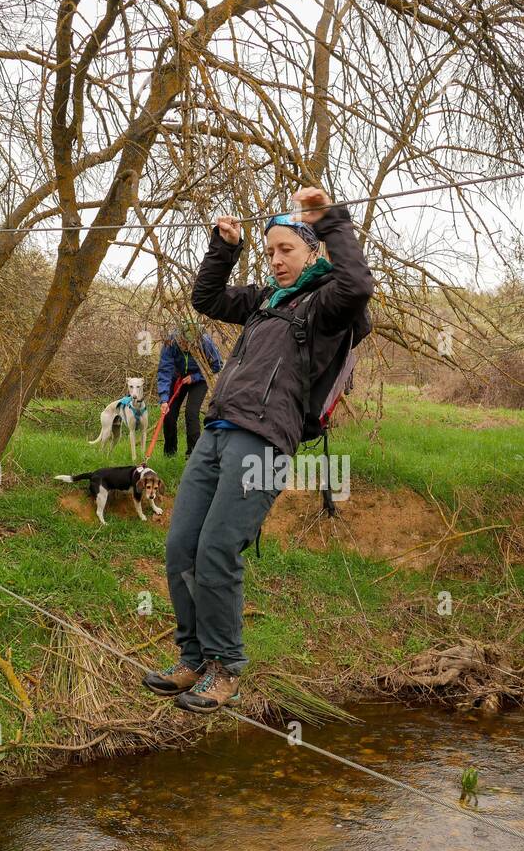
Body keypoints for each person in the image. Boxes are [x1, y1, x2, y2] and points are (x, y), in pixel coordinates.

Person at [142, 185, 374, 712]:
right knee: (182, 546)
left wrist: (329, 217)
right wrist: (224, 249)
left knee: (219, 549)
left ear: (314, 251)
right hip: (220, 428)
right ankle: (193, 659)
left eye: (286, 249)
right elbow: (207, 299)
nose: (275, 260)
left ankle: (225, 669)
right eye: (269, 251)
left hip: (267, 441)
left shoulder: (328, 303)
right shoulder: (266, 300)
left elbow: (358, 285)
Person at [156, 320, 222, 457]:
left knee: (191, 413)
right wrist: (163, 399)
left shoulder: (205, 342)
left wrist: (196, 377)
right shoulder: (171, 341)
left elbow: (216, 366)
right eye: (183, 344)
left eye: (189, 345)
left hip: (199, 378)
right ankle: (170, 454)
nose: (185, 347)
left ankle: (193, 455)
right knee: (168, 414)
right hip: (177, 376)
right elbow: (164, 370)